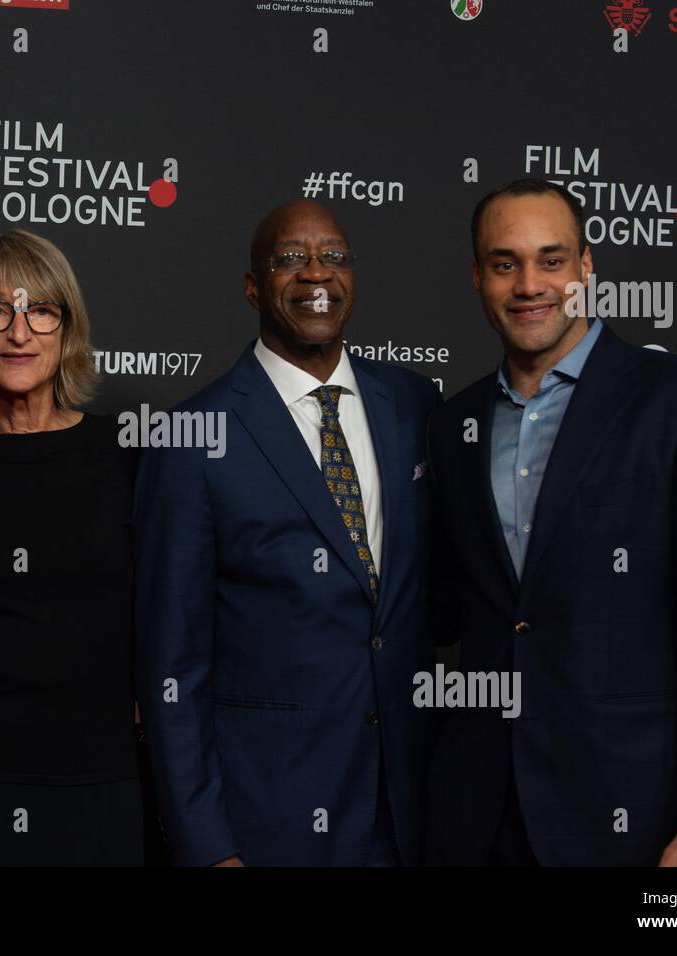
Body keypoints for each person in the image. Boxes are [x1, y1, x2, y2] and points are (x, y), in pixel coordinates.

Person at [425, 178, 677, 866]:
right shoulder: (451, 424)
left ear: (586, 267)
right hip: (477, 818)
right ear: (476, 277)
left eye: (551, 260)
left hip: (636, 818)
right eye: (504, 263)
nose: (529, 285)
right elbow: (441, 614)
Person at [134, 199, 440, 866]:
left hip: (412, 817)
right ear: (251, 287)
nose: (314, 275)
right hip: (270, 824)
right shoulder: (192, 439)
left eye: (332, 256)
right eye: (289, 259)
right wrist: (207, 846)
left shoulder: (417, 406)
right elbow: (172, 669)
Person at [0, 229, 142, 866]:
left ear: (67, 328)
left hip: (97, 776)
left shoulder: (125, 457)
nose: (19, 333)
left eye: (40, 310)